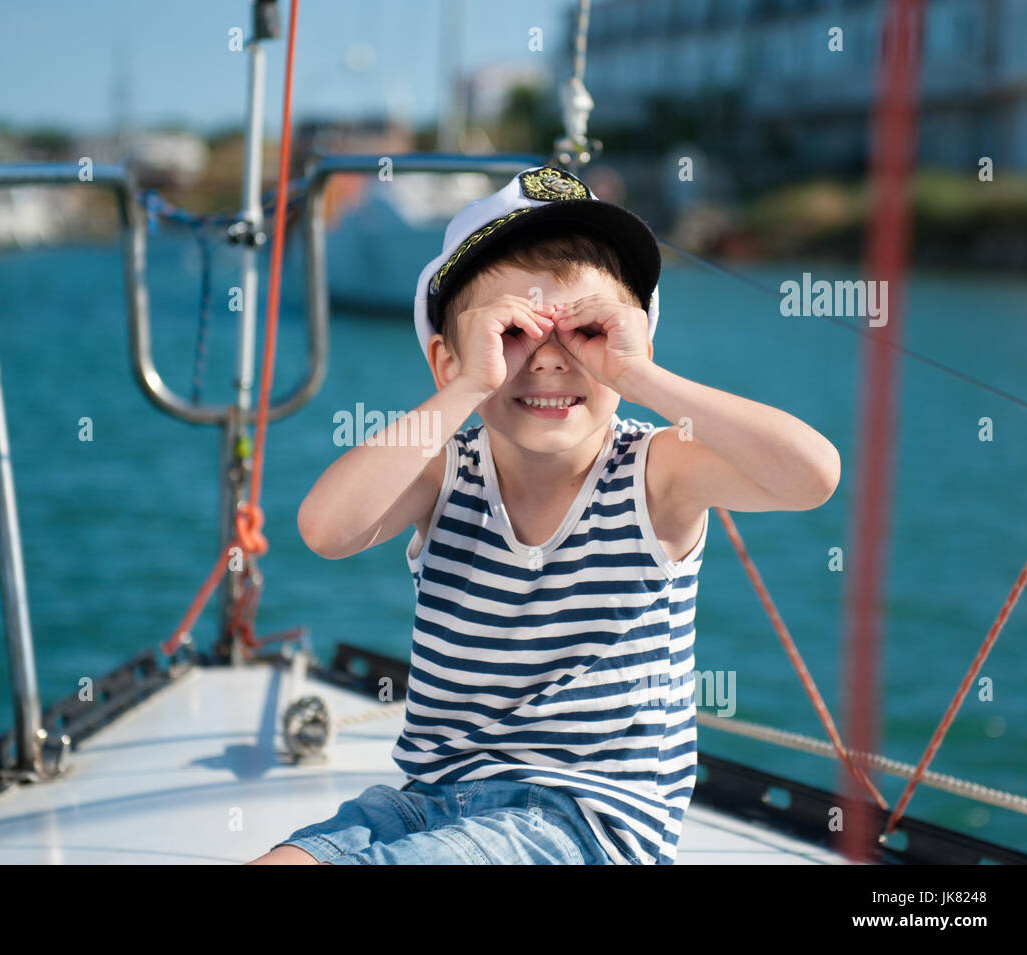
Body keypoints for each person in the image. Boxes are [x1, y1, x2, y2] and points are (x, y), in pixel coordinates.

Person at [247, 166, 840, 864]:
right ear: (448, 360)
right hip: (427, 798)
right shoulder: (443, 472)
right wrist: (470, 384)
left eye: (587, 331)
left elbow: (813, 474)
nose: (551, 361)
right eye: (514, 334)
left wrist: (640, 375)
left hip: (589, 823)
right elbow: (326, 528)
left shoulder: (656, 474)